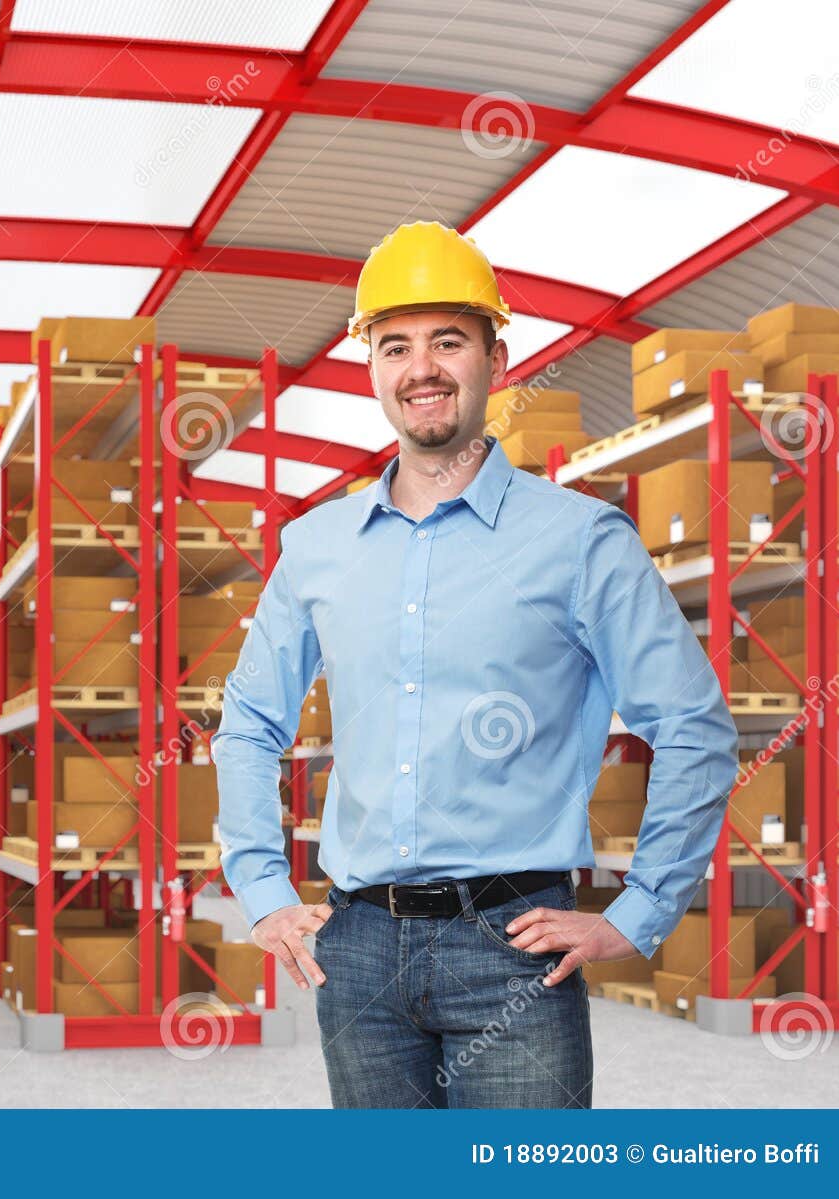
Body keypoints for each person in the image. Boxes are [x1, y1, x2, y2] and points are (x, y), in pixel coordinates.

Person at [213, 220, 738, 1109]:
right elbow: (248, 723)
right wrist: (263, 888)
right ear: (372, 368)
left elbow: (693, 726)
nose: (421, 367)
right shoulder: (317, 547)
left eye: (448, 341)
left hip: (513, 947)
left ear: (497, 357)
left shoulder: (581, 540)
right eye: (395, 345)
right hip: (358, 949)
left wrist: (640, 910)